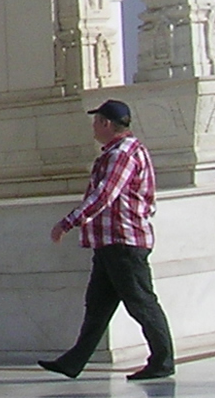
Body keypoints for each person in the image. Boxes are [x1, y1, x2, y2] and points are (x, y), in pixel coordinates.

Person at [39, 98, 177, 382]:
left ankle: (162, 361)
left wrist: (68, 222)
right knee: (97, 305)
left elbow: (104, 194)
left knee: (141, 302)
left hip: (123, 243)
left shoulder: (122, 154)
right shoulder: (122, 151)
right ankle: (74, 361)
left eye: (96, 121)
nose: (93, 127)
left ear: (106, 123)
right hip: (109, 243)